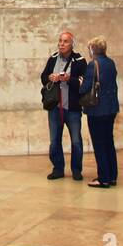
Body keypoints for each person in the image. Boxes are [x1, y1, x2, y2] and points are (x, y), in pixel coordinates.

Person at [40, 30, 87, 180]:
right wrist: (50, 78)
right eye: (60, 41)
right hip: (55, 108)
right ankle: (58, 169)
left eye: (65, 41)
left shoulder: (80, 60)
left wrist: (68, 79)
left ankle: (76, 170)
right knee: (54, 141)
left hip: (72, 109)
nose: (61, 44)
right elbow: (43, 77)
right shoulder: (53, 58)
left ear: (72, 44)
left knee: (76, 141)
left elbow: (83, 83)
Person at [78, 36, 119, 188]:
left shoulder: (92, 64)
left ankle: (103, 178)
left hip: (97, 110)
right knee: (109, 142)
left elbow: (85, 88)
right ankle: (112, 176)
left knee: (99, 144)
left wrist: (81, 82)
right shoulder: (111, 63)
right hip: (111, 108)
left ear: (92, 49)